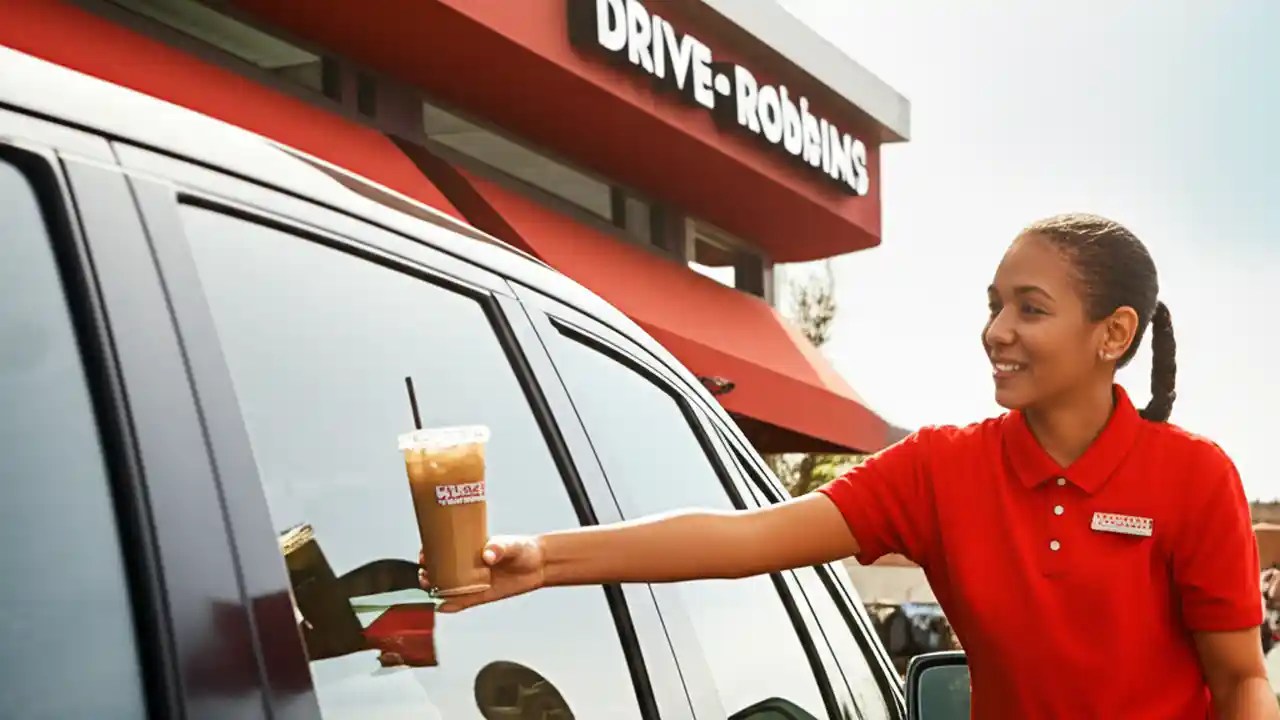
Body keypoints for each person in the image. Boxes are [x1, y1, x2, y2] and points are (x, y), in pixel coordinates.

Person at [419, 213, 1274, 718]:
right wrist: (543, 559)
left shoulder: (1194, 479)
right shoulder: (940, 468)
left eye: (1031, 309)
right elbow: (742, 539)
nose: (995, 332)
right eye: (993, 306)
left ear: (1113, 335)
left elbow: (1240, 681)